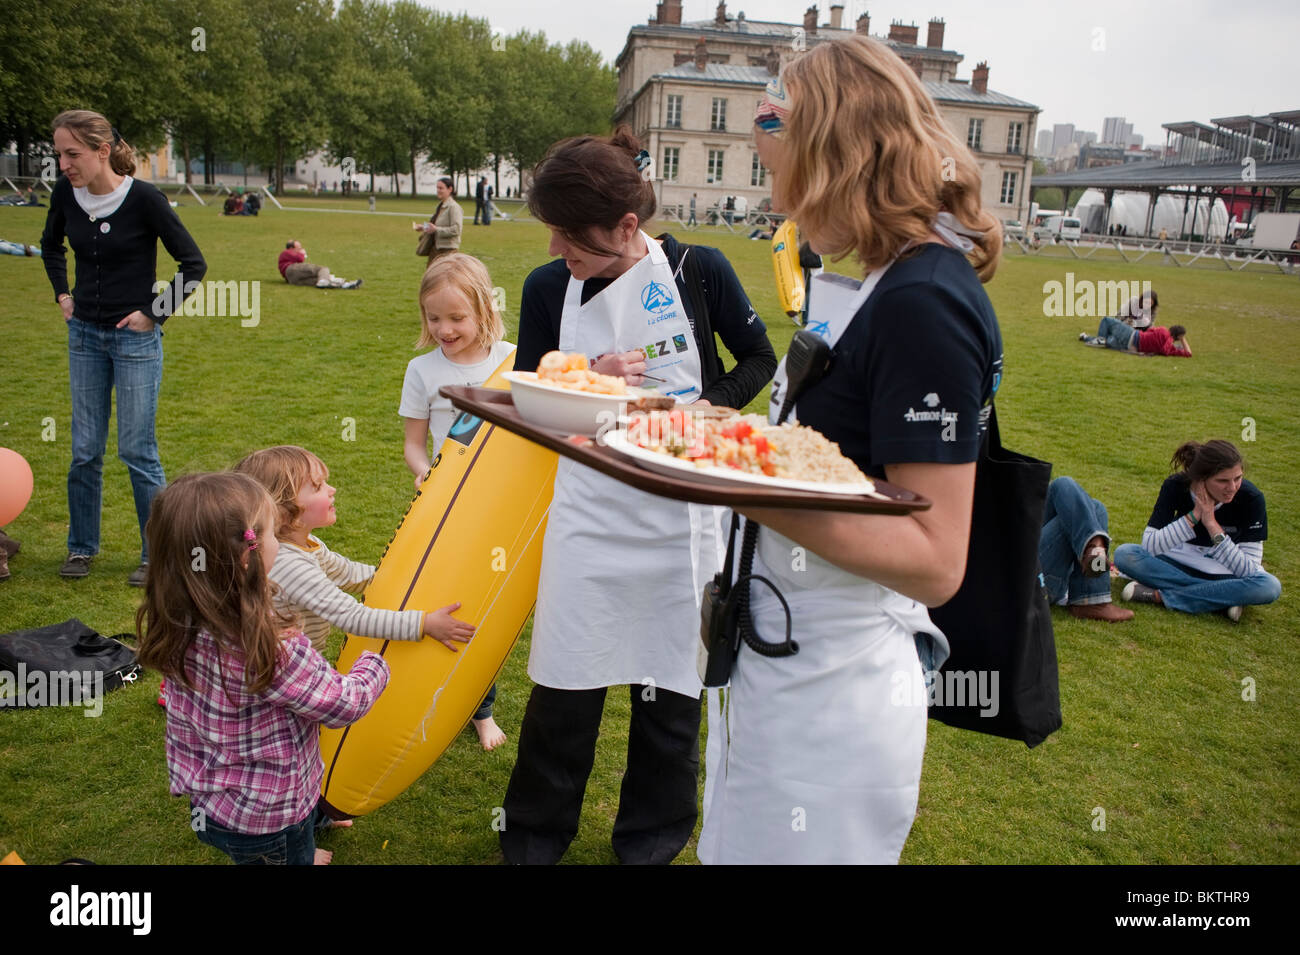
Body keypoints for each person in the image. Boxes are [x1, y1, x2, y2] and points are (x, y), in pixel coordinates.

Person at [697, 34, 1004, 865]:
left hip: (834, 692)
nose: (779, 193)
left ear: (836, 155)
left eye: (784, 163)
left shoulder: (923, 300)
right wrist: (746, 443)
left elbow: (935, 556)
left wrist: (736, 482)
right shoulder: (877, 279)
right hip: (786, 660)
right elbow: (838, 459)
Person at [501, 126, 776, 865]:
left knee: (670, 699)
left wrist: (700, 411)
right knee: (564, 688)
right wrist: (584, 376)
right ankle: (531, 838)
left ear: (628, 226)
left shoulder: (698, 270)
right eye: (553, 235)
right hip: (589, 516)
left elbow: (759, 358)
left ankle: (649, 842)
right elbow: (529, 399)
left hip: (682, 524)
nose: (561, 251)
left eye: (573, 237)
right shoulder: (544, 288)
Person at [134, 471, 390, 865]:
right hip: (270, 817)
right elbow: (343, 705)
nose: (280, 544)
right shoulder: (272, 648)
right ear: (248, 552)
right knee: (286, 855)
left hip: (212, 807)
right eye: (274, 535)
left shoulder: (176, 622)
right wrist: (376, 661)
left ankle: (301, 843)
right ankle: (297, 854)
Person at [41, 109, 207, 585]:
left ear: (102, 150)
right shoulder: (64, 195)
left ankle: (156, 556)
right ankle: (80, 549)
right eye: (58, 153)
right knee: (84, 450)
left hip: (135, 340)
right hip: (84, 338)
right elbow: (51, 245)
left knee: (138, 450)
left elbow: (193, 264)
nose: (63, 163)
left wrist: (153, 314)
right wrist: (63, 294)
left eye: (72, 153)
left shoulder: (145, 200)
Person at [398, 253, 516, 749]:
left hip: (503, 511)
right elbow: (412, 444)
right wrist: (427, 475)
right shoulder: (422, 370)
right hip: (445, 511)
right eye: (434, 317)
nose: (444, 328)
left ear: (485, 310)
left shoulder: (513, 359)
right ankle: (428, 698)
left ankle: (480, 710)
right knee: (451, 608)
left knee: (490, 613)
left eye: (456, 317)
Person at [234, 445, 476, 657]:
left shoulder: (309, 544)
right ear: (284, 512)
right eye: (318, 486)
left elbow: (352, 575)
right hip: (278, 665)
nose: (332, 490)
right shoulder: (288, 564)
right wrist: (424, 624)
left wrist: (414, 575)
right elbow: (352, 618)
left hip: (299, 657)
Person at [1116, 440, 1279, 621]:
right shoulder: (1175, 486)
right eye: (1223, 481)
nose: (1232, 488)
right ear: (1201, 480)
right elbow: (1150, 546)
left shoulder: (1251, 498)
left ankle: (1160, 596)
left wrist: (1211, 524)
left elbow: (1250, 571)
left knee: (1269, 586)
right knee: (1125, 554)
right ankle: (1221, 600)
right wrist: (1194, 516)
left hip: (1223, 574)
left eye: (1237, 478)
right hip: (1175, 563)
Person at [1039, 477, 1133, 622]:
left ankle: (1094, 547)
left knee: (1069, 490)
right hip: (1027, 581)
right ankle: (1095, 550)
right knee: (1094, 510)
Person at [277, 240, 362, 289]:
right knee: (322, 269)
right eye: (298, 248)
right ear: (291, 248)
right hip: (290, 270)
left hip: (292, 280)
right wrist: (302, 253)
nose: (300, 249)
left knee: (318, 280)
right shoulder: (286, 252)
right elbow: (300, 259)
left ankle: (345, 285)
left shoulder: (289, 255)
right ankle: (324, 281)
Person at [416, 177, 463, 265]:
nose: (438, 190)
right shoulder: (440, 206)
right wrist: (423, 227)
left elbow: (456, 230)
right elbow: (435, 225)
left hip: (447, 251)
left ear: (450, 189)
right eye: (437, 188)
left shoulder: (454, 207)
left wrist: (436, 230)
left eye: (441, 188)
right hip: (435, 249)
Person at [1081, 319, 1189, 356]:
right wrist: (1183, 339)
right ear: (1178, 338)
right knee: (1109, 342)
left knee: (1107, 321)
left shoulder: (1163, 330)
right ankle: (1085, 337)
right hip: (1131, 348)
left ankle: (1100, 339)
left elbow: (1148, 330)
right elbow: (1188, 353)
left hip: (1132, 335)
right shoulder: (1168, 349)